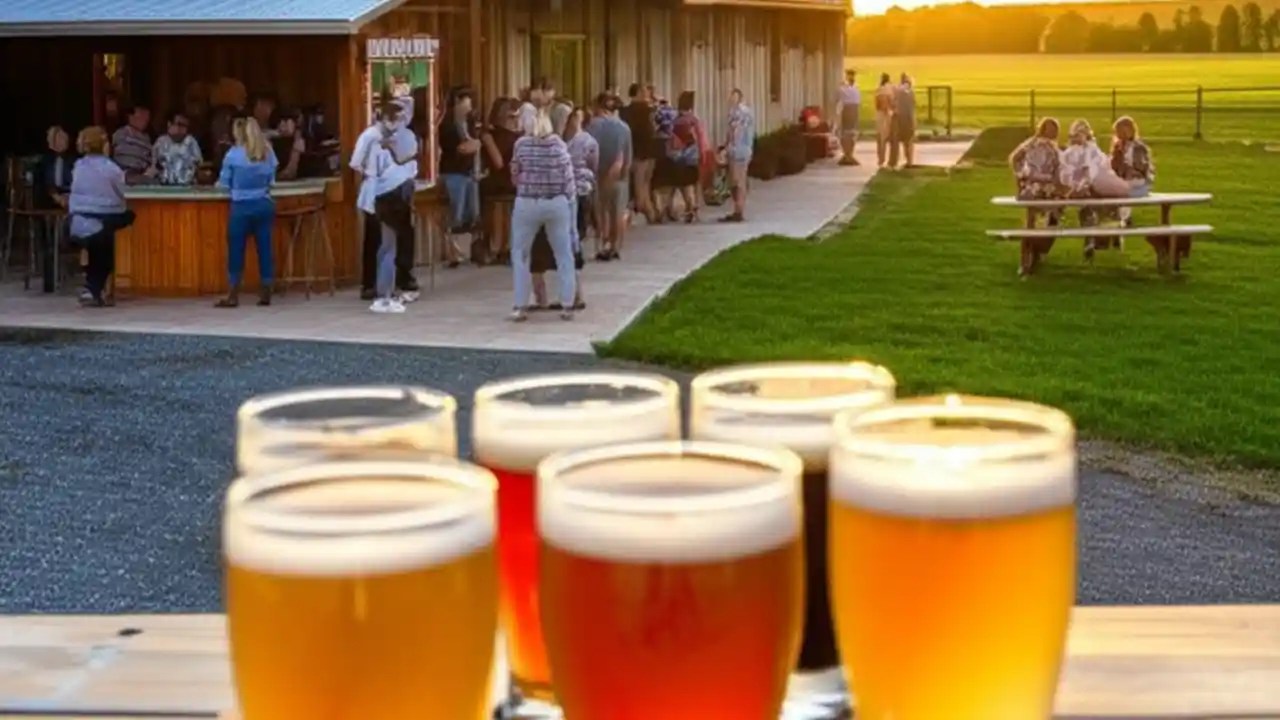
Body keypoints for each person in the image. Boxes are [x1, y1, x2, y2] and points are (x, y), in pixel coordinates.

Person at [508, 106, 577, 322]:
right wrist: (570, 203)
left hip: (527, 202)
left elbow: (514, 174)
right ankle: (567, 304)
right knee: (563, 253)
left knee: (520, 253)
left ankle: (520, 305)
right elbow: (568, 179)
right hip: (556, 202)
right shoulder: (559, 145)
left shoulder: (521, 145)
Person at [67, 126, 134, 307]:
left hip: (77, 221)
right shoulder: (111, 169)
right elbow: (124, 192)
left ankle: (93, 288)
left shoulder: (78, 166)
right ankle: (98, 287)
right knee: (127, 220)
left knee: (99, 245)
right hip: (104, 218)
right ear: (104, 145)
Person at [215, 118, 278, 308]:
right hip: (263, 204)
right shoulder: (267, 152)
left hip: (241, 206)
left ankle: (233, 293)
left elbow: (224, 184)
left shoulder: (233, 155)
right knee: (265, 247)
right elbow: (272, 180)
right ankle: (266, 289)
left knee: (236, 249)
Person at [368, 100, 421, 313]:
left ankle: (384, 288)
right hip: (390, 194)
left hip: (384, 193)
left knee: (387, 243)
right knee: (390, 244)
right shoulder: (380, 139)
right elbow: (403, 160)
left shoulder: (386, 137)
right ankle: (386, 291)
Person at [1061, 118, 1130, 258]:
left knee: (1102, 204)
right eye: (1077, 133)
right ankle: (1095, 238)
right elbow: (1067, 173)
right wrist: (1077, 186)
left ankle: (1106, 235)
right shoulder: (1070, 153)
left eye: (1082, 133)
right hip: (1082, 189)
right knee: (1089, 206)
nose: (1079, 137)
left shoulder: (1093, 149)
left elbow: (1101, 169)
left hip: (1096, 186)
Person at [587, 92, 632, 260]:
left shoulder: (592, 126)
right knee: (618, 212)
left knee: (601, 211)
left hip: (599, 174)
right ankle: (615, 246)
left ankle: (601, 244)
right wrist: (625, 173)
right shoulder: (624, 127)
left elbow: (588, 151)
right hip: (619, 176)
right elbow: (628, 155)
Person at [439, 86, 482, 262]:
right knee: (456, 212)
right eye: (466, 103)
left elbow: (476, 143)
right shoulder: (447, 123)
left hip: (469, 172)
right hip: (454, 171)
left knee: (471, 213)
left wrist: (475, 144)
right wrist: (472, 145)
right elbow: (459, 148)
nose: (469, 107)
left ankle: (463, 250)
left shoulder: (469, 122)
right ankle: (452, 252)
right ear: (457, 102)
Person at [480, 97, 523, 264]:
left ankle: (490, 243)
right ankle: (505, 245)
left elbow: (498, 163)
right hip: (516, 182)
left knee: (483, 193)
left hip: (501, 180)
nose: (514, 120)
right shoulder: (518, 137)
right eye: (512, 117)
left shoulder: (490, 136)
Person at [564, 106, 597, 310]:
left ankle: (575, 289)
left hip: (580, 191)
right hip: (565, 193)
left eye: (576, 117)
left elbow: (593, 165)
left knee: (576, 233)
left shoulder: (588, 142)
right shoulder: (560, 141)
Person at [1009, 117, 1065, 227]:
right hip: (1032, 185)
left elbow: (1059, 166)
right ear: (1043, 129)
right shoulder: (1032, 144)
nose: (1052, 132)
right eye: (1049, 129)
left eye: (1054, 130)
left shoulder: (1054, 147)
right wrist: (1020, 175)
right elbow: (1014, 158)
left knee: (1061, 194)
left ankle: (1051, 224)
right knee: (1040, 196)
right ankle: (1034, 228)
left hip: (1046, 184)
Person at [659, 90, 702, 225]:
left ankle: (668, 210)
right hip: (692, 157)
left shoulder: (675, 120)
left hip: (676, 157)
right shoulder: (693, 120)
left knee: (676, 185)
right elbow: (699, 139)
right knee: (689, 184)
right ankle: (691, 207)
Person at [621, 82, 658, 223]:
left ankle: (649, 212)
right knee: (643, 185)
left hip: (637, 151)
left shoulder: (626, 112)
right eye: (644, 91)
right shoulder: (648, 110)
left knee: (641, 184)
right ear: (638, 93)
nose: (647, 94)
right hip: (645, 151)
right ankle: (648, 212)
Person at [721, 88, 754, 223]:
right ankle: (738, 209)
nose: (731, 100)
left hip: (737, 150)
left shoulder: (736, 113)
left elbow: (733, 132)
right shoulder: (747, 112)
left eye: (733, 97)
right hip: (745, 150)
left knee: (736, 181)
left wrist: (726, 147)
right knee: (740, 180)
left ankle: (738, 210)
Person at [151, 110, 203, 186]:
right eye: (180, 124)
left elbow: (199, 165)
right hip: (163, 187)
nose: (183, 128)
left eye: (185, 126)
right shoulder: (160, 142)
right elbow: (154, 166)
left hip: (188, 187)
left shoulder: (191, 142)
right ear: (169, 124)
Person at [1110, 116, 1155, 199]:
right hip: (1123, 181)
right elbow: (1114, 167)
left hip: (1138, 183)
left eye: (1120, 132)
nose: (1118, 135)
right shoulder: (1118, 148)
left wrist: (1129, 169)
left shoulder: (1139, 148)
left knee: (1124, 193)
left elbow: (1141, 168)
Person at [111, 104, 155, 183]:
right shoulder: (121, 134)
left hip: (142, 174)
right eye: (142, 115)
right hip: (123, 173)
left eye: (147, 117)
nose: (146, 119)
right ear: (131, 117)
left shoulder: (148, 138)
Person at [888, 73, 917, 169]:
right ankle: (909, 161)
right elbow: (913, 106)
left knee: (895, 141)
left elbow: (892, 103)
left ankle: (893, 162)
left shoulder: (897, 91)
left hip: (898, 118)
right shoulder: (911, 92)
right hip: (909, 119)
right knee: (908, 142)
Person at [272, 109, 307, 181]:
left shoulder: (299, 142)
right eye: (279, 122)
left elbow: (290, 173)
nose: (281, 125)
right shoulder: (274, 142)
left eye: (285, 121)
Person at [836, 69, 862, 166]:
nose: (851, 77)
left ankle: (849, 154)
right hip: (848, 108)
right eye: (849, 75)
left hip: (853, 109)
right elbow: (840, 98)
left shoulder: (855, 86)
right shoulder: (844, 87)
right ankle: (847, 155)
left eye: (852, 75)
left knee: (852, 133)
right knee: (847, 133)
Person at [874, 73, 896, 168]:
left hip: (880, 114)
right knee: (890, 138)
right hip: (888, 114)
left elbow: (877, 104)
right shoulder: (890, 88)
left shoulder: (879, 89)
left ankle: (881, 159)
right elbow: (890, 102)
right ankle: (891, 161)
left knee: (880, 139)